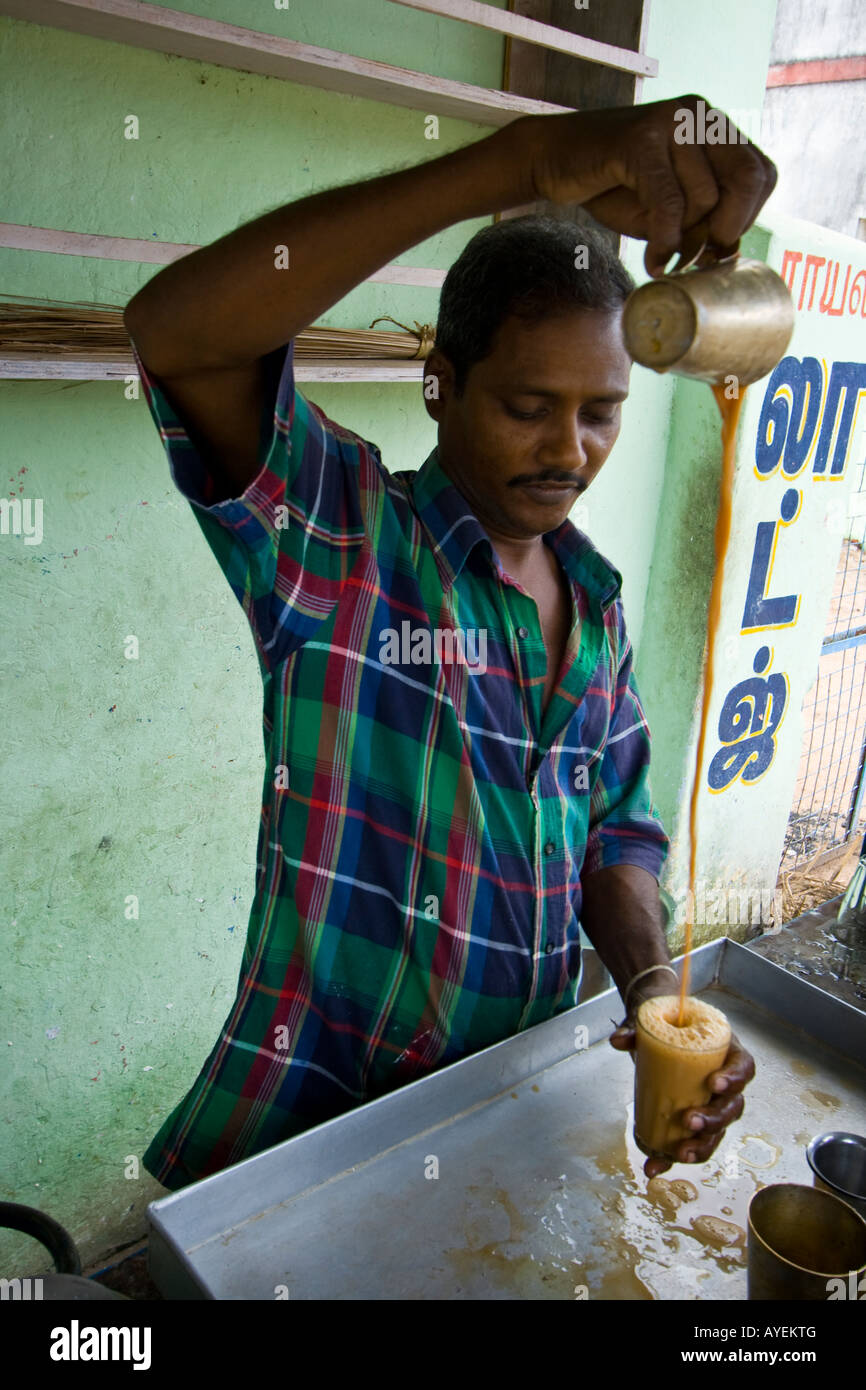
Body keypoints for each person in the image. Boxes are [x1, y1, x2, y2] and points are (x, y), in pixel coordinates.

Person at [125, 94, 769, 1191]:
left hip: (494, 1122)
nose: (569, 448)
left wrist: (656, 993)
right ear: (441, 385)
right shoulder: (345, 547)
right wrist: (518, 162)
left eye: (600, 411)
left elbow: (616, 833)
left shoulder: (595, 606)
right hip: (310, 1150)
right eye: (527, 403)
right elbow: (178, 331)